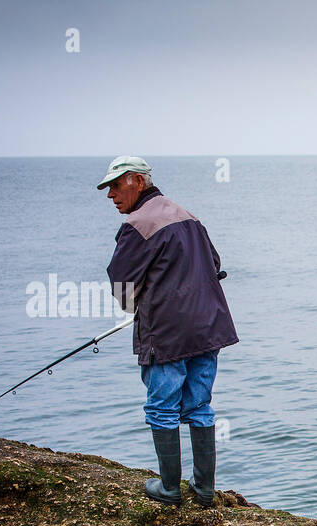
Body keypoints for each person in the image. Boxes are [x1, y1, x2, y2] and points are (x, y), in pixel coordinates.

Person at [97, 156, 238, 507]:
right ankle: (203, 490)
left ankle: (170, 489)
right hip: (208, 326)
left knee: (162, 407)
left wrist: (135, 307)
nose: (111, 194)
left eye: (116, 185)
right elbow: (214, 264)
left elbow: (122, 283)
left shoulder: (137, 224)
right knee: (200, 405)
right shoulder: (187, 215)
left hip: (168, 333)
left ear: (137, 181)